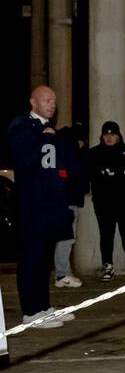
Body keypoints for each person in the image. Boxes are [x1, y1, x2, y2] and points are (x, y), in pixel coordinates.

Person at [6, 86, 78, 329]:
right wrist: (46, 138)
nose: (52, 104)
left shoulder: (50, 130)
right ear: (33, 102)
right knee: (31, 258)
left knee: (44, 259)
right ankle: (30, 312)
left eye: (54, 101)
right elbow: (25, 159)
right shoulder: (21, 126)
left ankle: (44, 308)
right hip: (32, 206)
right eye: (47, 100)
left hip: (50, 206)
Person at [89, 121, 125, 281]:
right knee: (106, 235)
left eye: (113, 134)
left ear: (119, 135)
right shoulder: (95, 153)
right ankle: (108, 266)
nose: (109, 137)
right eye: (106, 134)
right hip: (104, 203)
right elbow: (92, 176)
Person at [52, 122, 88, 288]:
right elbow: (73, 174)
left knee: (63, 238)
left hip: (63, 198)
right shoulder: (71, 149)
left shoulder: (61, 144)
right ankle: (62, 273)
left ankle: (62, 273)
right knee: (66, 238)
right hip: (68, 199)